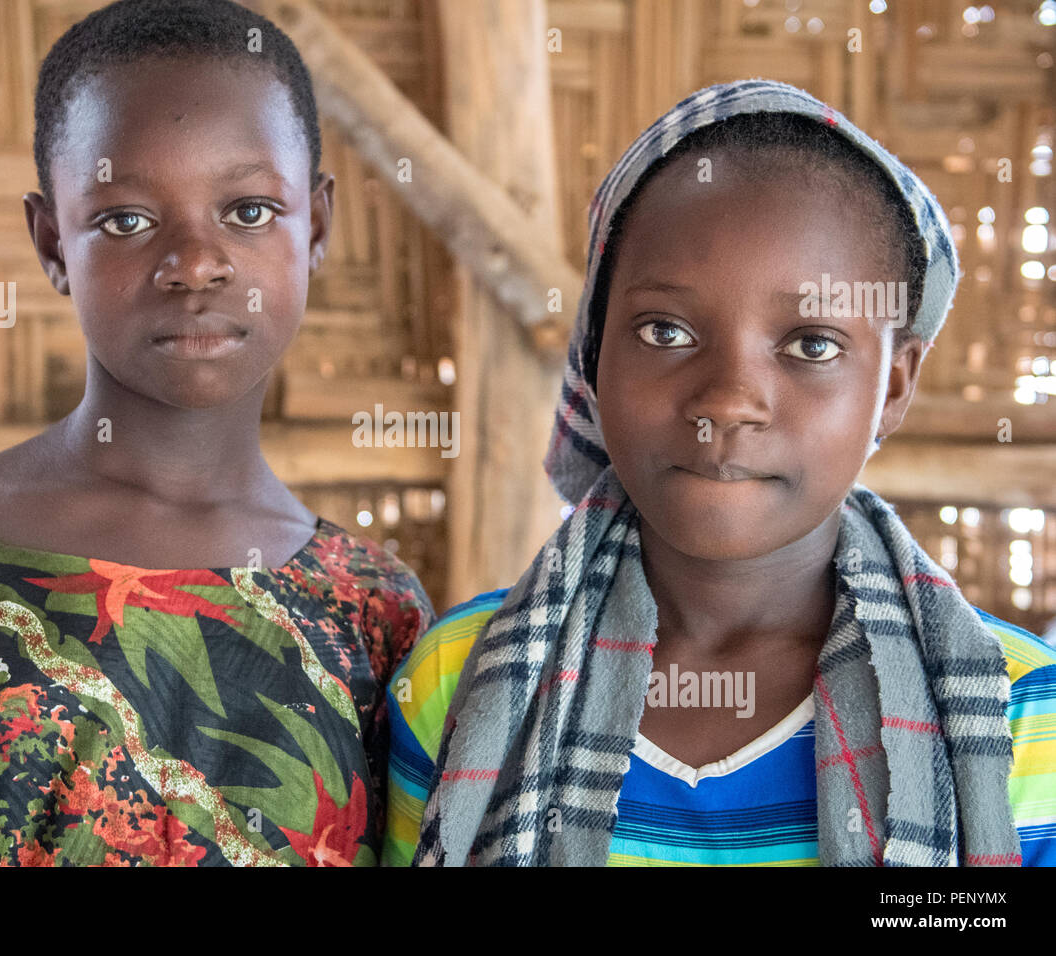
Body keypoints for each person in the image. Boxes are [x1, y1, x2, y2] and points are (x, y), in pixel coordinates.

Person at [0, 0, 434, 866]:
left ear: (320, 226)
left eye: (251, 210)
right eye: (125, 220)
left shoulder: (376, 613)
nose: (195, 261)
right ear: (51, 243)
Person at [384, 79, 1056, 867]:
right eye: (665, 331)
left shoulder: (1020, 714)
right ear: (595, 355)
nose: (729, 401)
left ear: (895, 386)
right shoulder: (455, 681)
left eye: (812, 344)